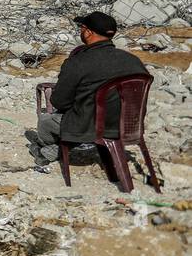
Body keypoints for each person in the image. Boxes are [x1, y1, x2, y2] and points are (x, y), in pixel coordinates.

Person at [34, 12, 147, 167]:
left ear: (88, 32)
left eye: (82, 28)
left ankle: (50, 150)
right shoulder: (133, 61)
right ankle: (53, 150)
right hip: (127, 126)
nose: (81, 31)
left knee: (45, 122)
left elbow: (59, 101)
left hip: (89, 128)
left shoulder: (78, 62)